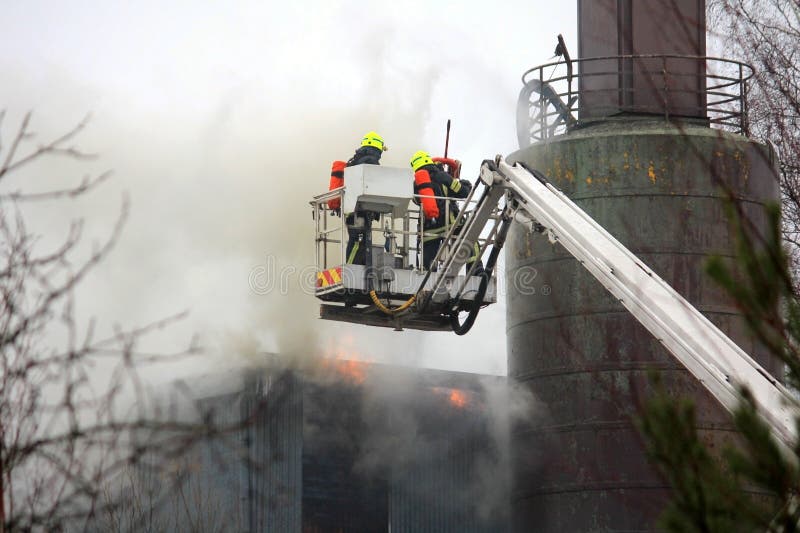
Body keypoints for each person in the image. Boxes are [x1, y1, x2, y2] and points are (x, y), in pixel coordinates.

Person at [410, 150, 484, 274]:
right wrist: (461, 181)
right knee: (470, 241)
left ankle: (427, 274)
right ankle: (476, 270)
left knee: (428, 260)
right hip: (451, 224)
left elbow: (416, 201)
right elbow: (463, 192)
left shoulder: (417, 183)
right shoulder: (443, 176)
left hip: (429, 228)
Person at [328, 131, 387, 265]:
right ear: (378, 148)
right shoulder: (370, 161)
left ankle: (357, 266)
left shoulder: (355, 160)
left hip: (354, 210)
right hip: (359, 211)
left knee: (360, 241)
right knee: (357, 241)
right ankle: (350, 268)